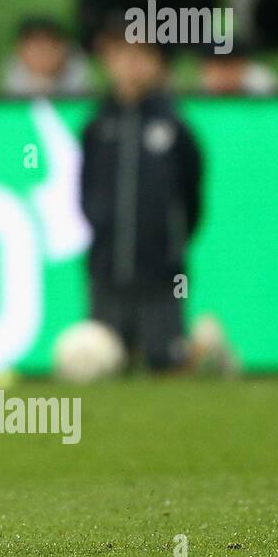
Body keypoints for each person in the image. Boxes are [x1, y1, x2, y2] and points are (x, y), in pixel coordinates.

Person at [80, 26, 202, 372]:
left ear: (156, 64)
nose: (130, 66)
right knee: (100, 365)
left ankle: (199, 351)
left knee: (167, 363)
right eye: (121, 56)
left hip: (162, 277)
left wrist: (171, 243)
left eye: (140, 56)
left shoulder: (176, 128)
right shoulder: (96, 127)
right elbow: (85, 194)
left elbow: (191, 200)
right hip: (106, 273)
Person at [3, 17, 91, 97]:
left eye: (48, 47)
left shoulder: (87, 83)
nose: (42, 55)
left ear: (63, 49)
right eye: (36, 49)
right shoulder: (8, 91)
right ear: (21, 52)